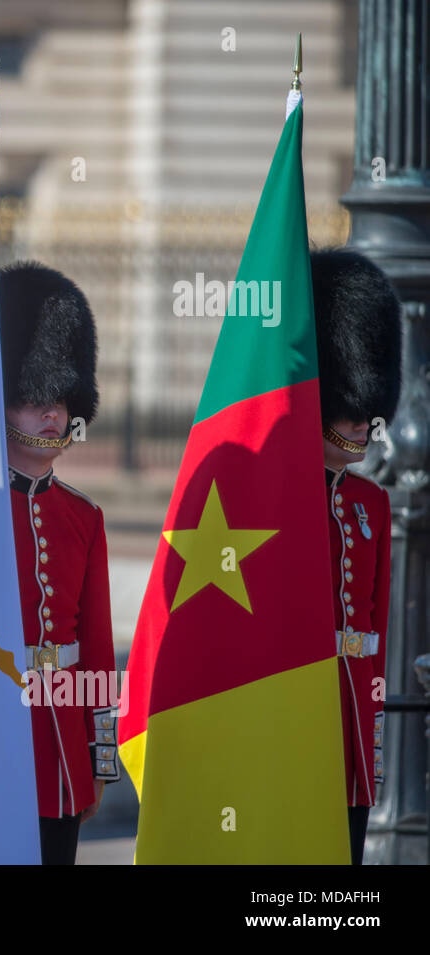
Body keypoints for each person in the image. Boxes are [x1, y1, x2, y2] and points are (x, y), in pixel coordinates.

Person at [0, 261, 117, 865]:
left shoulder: (82, 516)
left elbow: (95, 647)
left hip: (62, 744)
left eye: (61, 401)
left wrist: (98, 755)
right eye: (33, 400)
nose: (52, 415)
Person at [311, 248, 401, 865]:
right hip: (301, 715)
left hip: (354, 725)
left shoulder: (371, 503)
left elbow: (378, 629)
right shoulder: (278, 502)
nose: (363, 420)